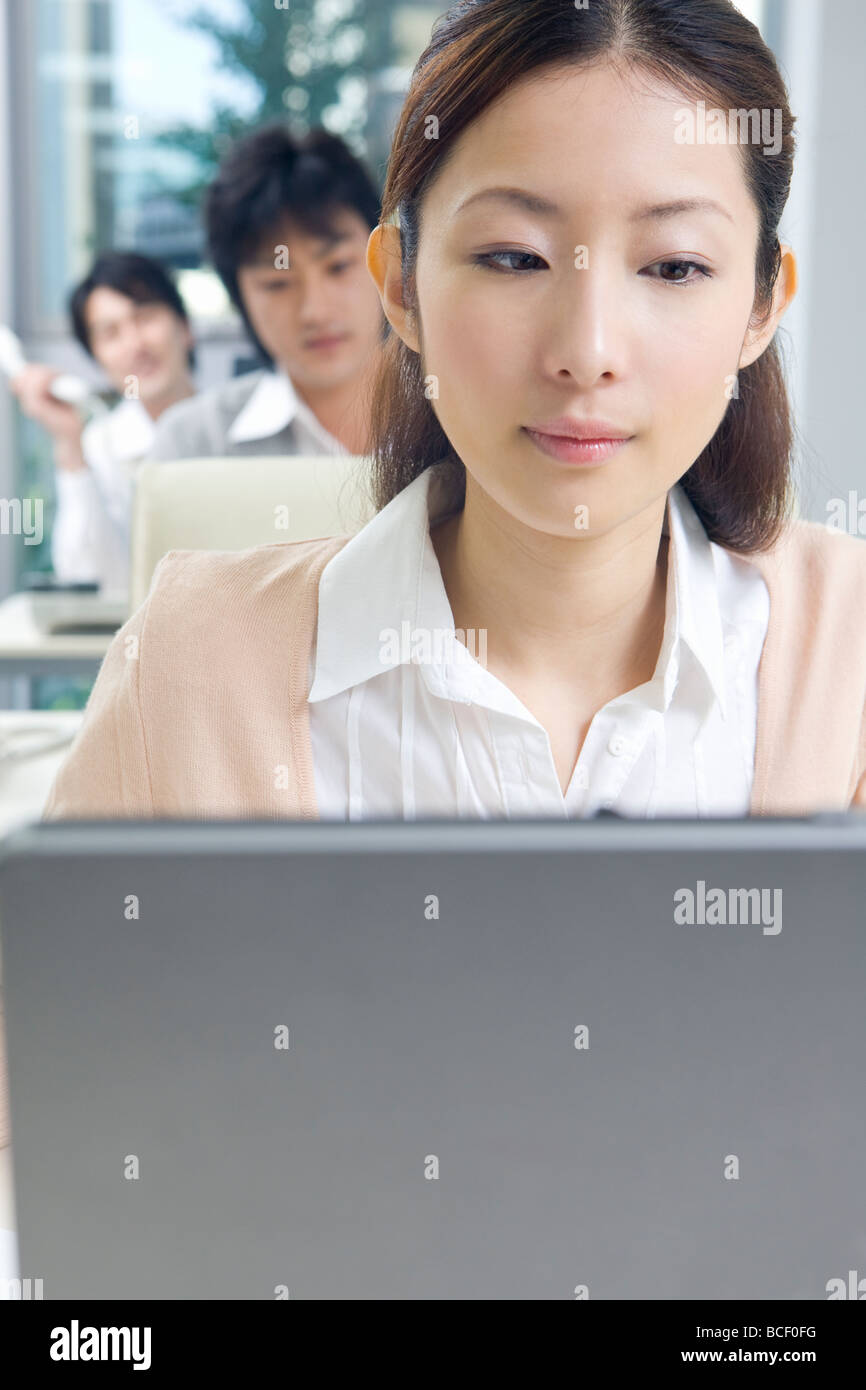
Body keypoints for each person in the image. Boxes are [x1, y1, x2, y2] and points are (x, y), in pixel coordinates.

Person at [40, 0, 866, 825]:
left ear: (762, 307)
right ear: (401, 287)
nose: (588, 349)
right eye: (514, 257)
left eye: (675, 267)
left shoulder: (849, 660)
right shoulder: (189, 669)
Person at [146, 125, 385, 463]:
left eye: (338, 267)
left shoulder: (460, 416)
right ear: (239, 296)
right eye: (277, 283)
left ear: (384, 257)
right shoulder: (192, 448)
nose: (315, 310)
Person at [10, 252, 195, 592]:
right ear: (96, 358)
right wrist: (70, 445)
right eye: (111, 334)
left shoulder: (240, 427)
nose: (135, 345)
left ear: (185, 328)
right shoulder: (100, 445)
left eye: (146, 317)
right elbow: (87, 578)